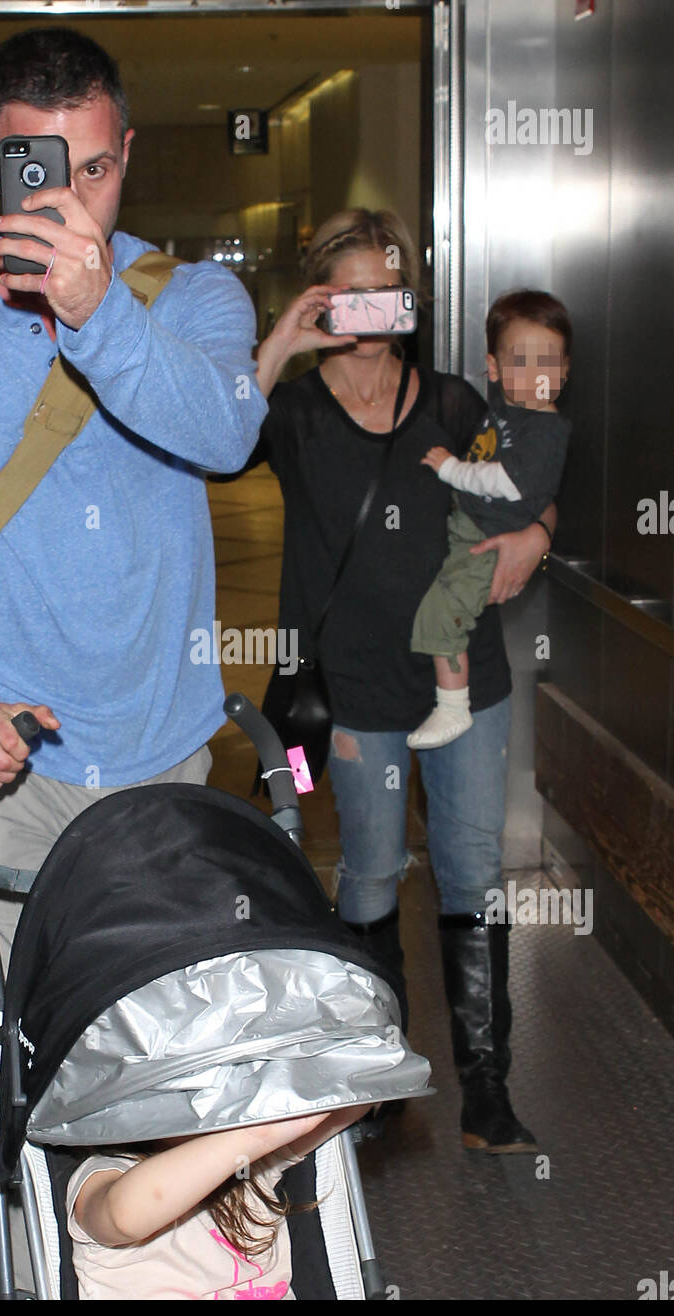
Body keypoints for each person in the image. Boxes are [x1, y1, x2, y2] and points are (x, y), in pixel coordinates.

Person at [0, 27, 266, 964]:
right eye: (43, 171)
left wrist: (99, 313)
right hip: (6, 769)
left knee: (169, 1061)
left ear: (130, 157)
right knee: (25, 1063)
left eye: (98, 170)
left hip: (165, 750)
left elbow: (229, 434)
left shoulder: (194, 300)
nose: (74, 202)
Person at [248, 209, 557, 1154]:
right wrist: (282, 341)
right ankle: (376, 1078)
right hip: (353, 690)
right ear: (324, 297)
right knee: (373, 870)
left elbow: (532, 480)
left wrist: (539, 536)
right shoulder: (296, 413)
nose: (371, 308)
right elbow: (214, 442)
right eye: (349, 292)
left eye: (387, 286)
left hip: (468, 681)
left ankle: (487, 1092)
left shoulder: (456, 403)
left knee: (471, 870)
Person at [407, 290, 572, 749]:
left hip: (487, 538)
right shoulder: (511, 412)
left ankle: (453, 707)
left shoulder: (545, 429)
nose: (537, 375)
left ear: (566, 369)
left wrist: (450, 469)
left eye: (549, 362)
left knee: (445, 611)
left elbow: (506, 483)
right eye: (521, 362)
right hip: (472, 527)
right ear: (494, 369)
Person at [67, 1106, 369, 1299]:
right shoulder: (107, 1174)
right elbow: (125, 1217)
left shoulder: (249, 1171)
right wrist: (258, 1135)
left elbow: (351, 1101)